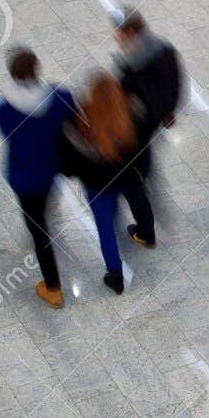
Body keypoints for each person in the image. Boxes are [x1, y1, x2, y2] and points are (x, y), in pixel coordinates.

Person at [0, 48, 77, 309]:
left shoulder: (4, 110)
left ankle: (53, 287)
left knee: (38, 231)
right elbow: (72, 114)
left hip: (23, 176)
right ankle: (48, 212)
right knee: (46, 200)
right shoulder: (59, 99)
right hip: (50, 169)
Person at [63, 72, 152, 295]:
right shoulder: (135, 116)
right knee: (137, 201)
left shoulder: (81, 126)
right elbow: (144, 149)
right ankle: (146, 232)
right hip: (128, 178)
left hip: (98, 187)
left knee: (106, 229)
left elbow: (72, 165)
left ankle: (115, 275)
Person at [113, 9, 184, 244]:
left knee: (130, 180)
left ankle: (145, 231)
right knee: (143, 164)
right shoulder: (165, 49)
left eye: (118, 33)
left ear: (131, 31)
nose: (116, 38)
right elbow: (175, 80)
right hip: (154, 121)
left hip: (135, 131)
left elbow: (121, 103)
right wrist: (169, 111)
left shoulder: (130, 66)